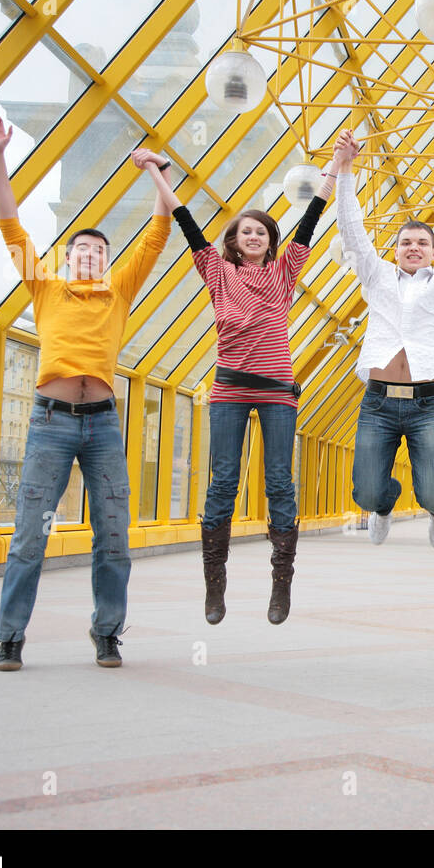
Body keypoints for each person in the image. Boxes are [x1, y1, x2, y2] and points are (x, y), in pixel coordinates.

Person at [0, 113, 173, 671]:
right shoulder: (44, 285)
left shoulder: (119, 290)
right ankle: (10, 637)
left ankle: (108, 632)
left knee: (114, 535)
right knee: (29, 535)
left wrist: (156, 171)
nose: (89, 254)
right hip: (50, 422)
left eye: (98, 250)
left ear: (109, 262)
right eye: (80, 249)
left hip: (102, 424)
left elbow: (161, 226)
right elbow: (9, 222)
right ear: (65, 258)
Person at [139, 150, 332, 626]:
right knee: (222, 480)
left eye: (261, 232)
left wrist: (337, 168)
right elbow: (184, 218)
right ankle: (214, 587)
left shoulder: (284, 274)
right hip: (228, 389)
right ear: (233, 239)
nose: (253, 236)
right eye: (246, 230)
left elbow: (311, 217)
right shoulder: (215, 270)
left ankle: (280, 585)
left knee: (279, 482)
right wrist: (155, 173)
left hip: (276, 390)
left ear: (271, 243)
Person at [330, 128, 434, 548]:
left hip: (426, 401)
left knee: (433, 493)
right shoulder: (375, 276)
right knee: (367, 492)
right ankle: (384, 507)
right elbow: (351, 229)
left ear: (433, 251)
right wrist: (345, 167)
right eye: (406, 242)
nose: (413, 247)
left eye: (422, 242)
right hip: (379, 399)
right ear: (395, 248)